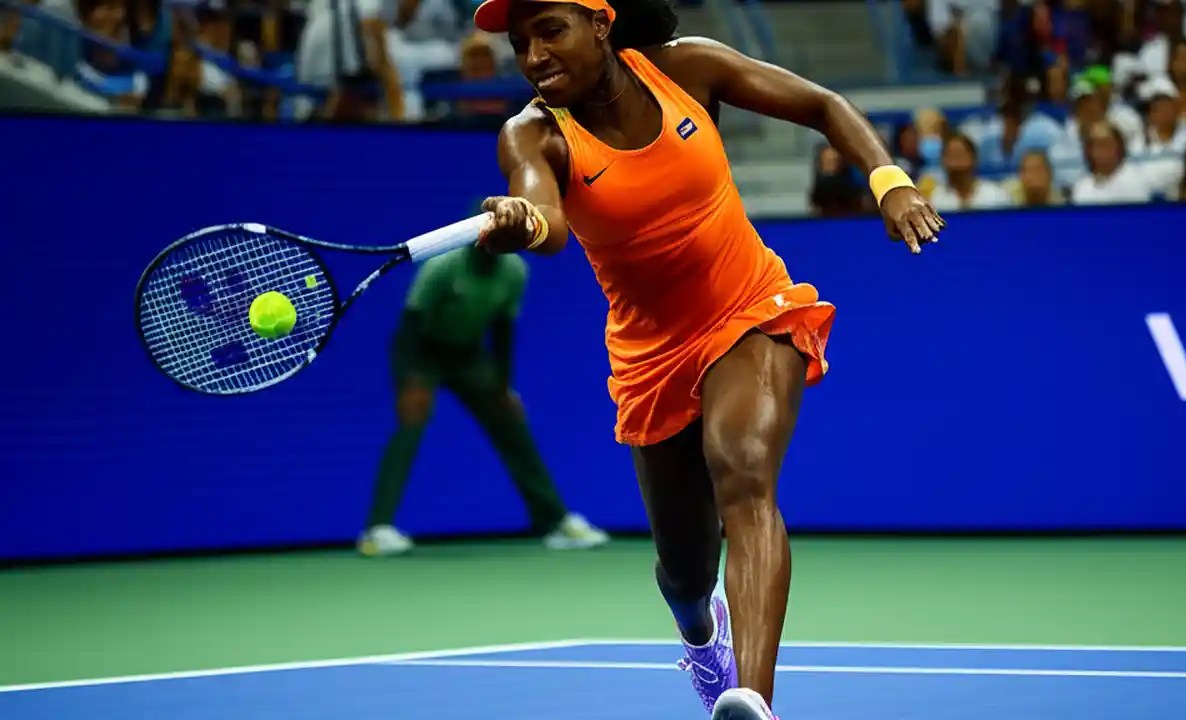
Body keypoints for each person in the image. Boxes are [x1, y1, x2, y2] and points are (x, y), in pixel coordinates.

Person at [467, 1, 945, 718]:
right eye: (520, 42)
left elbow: (821, 104)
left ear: (600, 24)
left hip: (751, 306)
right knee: (686, 570)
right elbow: (550, 221)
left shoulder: (687, 67)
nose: (534, 55)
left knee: (745, 472)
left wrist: (889, 179)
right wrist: (521, 220)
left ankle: (753, 698)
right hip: (650, 357)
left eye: (550, 31)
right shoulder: (532, 134)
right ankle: (701, 635)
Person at [358, 244, 610, 557]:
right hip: (424, 353)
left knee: (511, 422)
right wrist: (409, 383)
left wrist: (503, 388)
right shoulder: (442, 266)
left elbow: (503, 330)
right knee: (411, 422)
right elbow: (409, 327)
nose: (489, 248)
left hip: (469, 356)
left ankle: (555, 523)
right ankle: (377, 530)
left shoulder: (515, 271)